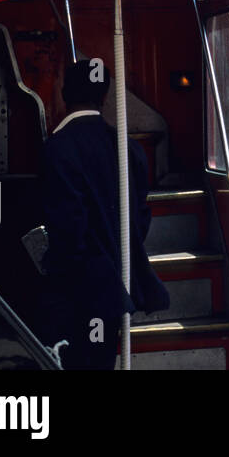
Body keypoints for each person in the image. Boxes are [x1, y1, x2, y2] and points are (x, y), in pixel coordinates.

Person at [37, 59, 169, 369]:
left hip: (76, 291)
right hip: (115, 286)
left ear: (63, 93)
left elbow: (67, 227)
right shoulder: (130, 148)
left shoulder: (57, 148)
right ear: (104, 97)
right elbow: (140, 217)